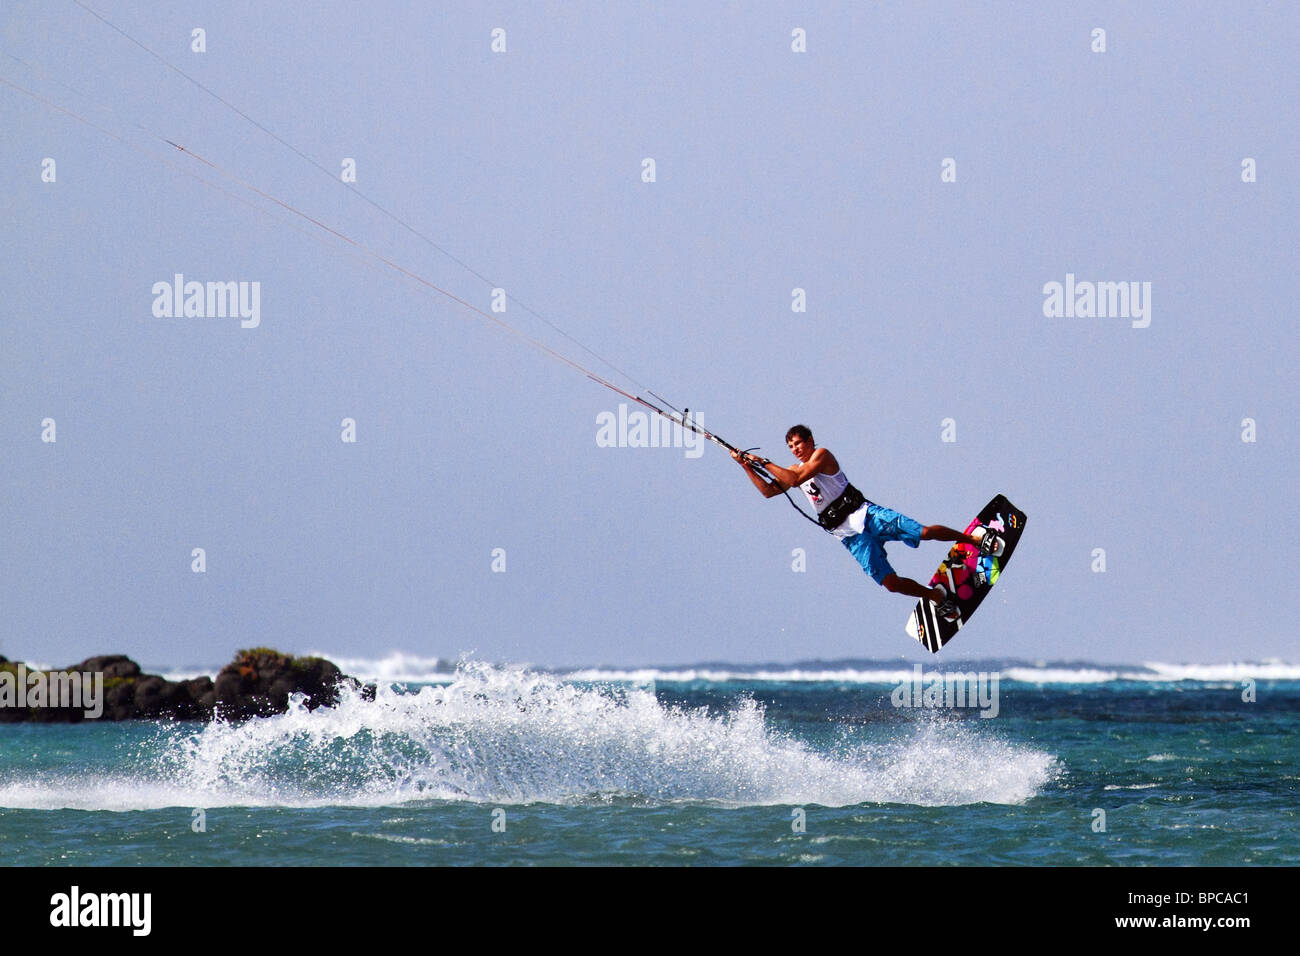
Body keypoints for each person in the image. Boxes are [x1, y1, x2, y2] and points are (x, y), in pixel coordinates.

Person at [732, 424, 1003, 620]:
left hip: (867, 515)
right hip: (849, 536)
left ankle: (975, 539)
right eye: (791, 447)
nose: (795, 450)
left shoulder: (822, 455)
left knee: (924, 532)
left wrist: (764, 461)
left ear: (811, 440)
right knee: (891, 584)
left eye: (799, 444)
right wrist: (745, 465)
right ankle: (937, 597)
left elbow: (794, 480)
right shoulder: (791, 470)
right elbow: (769, 491)